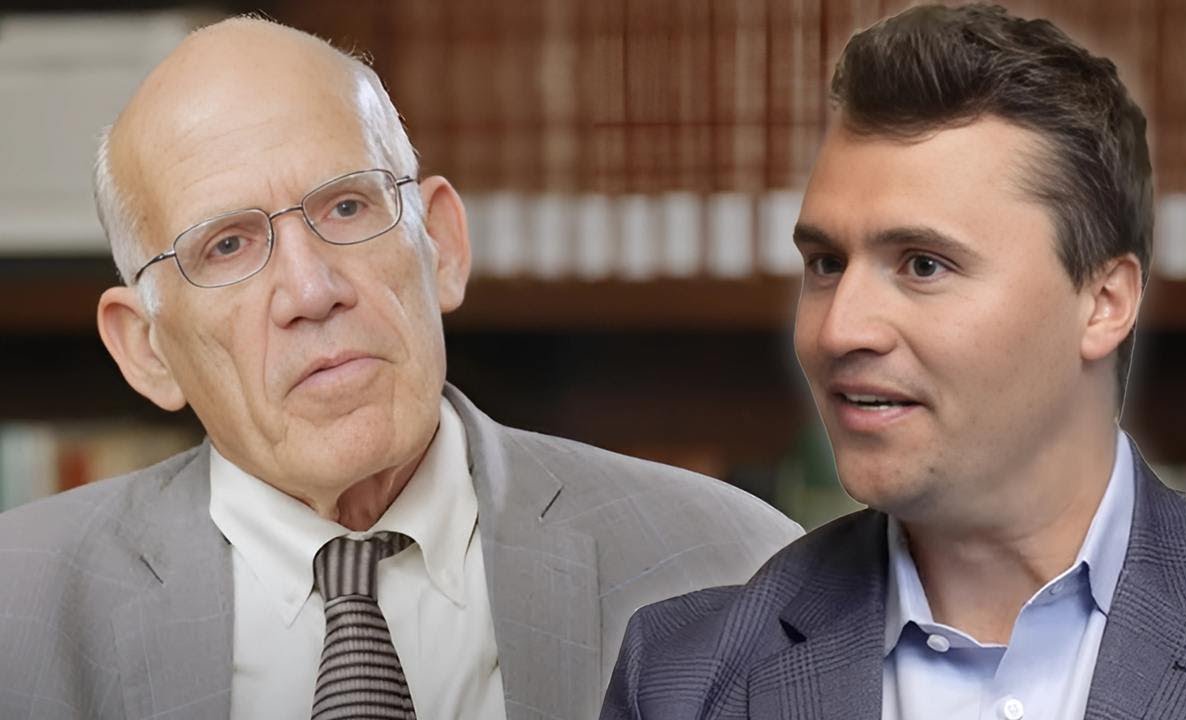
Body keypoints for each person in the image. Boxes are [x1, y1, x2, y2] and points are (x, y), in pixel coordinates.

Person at [0, 17, 802, 720]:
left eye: (348, 206)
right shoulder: (18, 616)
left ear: (443, 245)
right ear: (145, 348)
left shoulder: (731, 565)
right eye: (228, 246)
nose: (311, 292)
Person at [602, 4, 1186, 719]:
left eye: (923, 264)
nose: (839, 330)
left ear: (1103, 303)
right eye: (826, 263)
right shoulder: (682, 680)